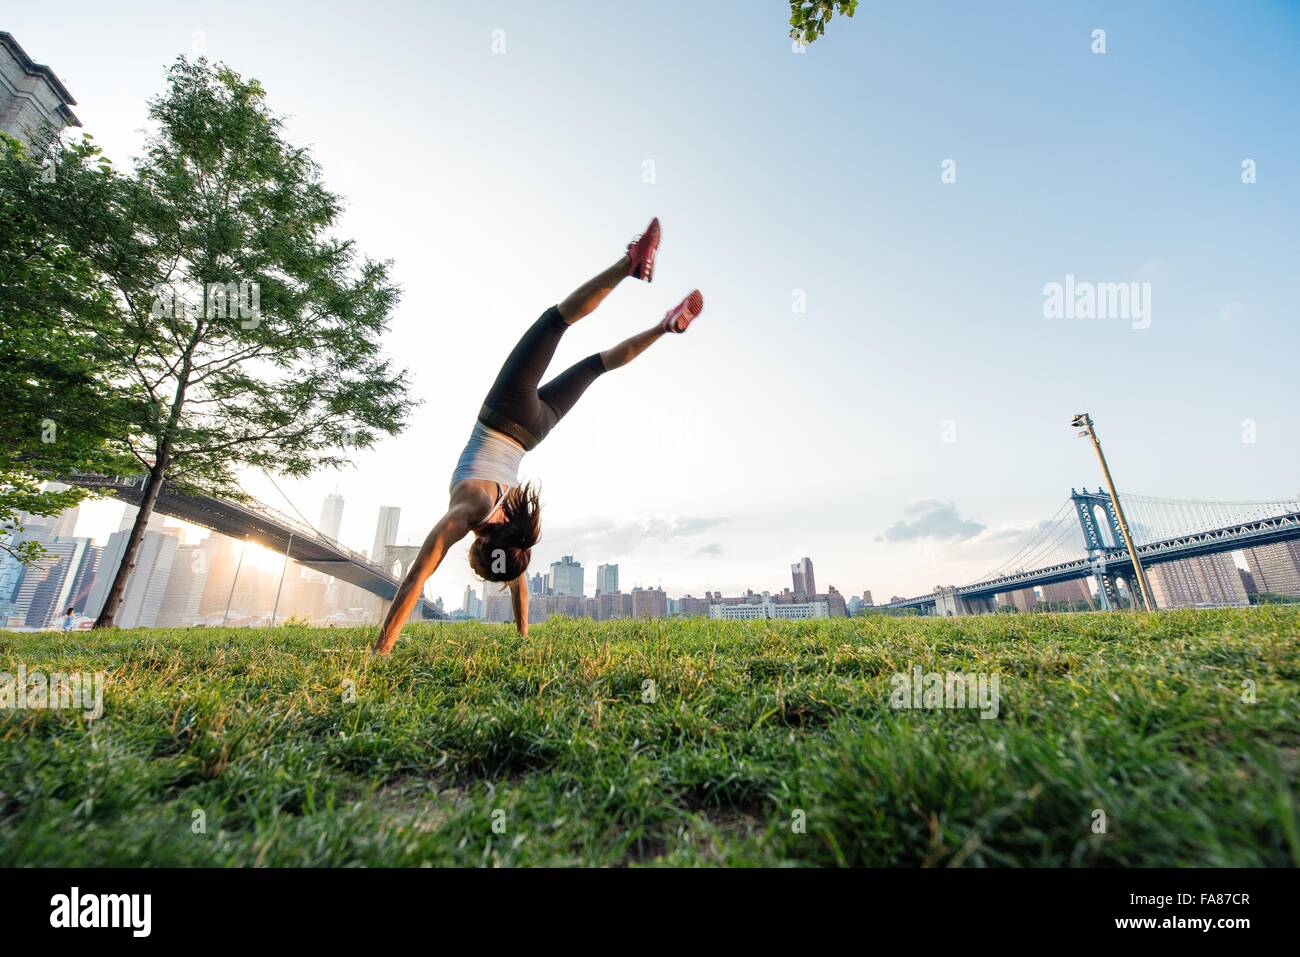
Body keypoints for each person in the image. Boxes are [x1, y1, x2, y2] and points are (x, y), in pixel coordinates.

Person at [373, 217, 702, 654]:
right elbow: (419, 574)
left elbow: (518, 586)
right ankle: (629, 264)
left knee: (597, 365)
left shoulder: (513, 529)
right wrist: (382, 648)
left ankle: (664, 327)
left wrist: (524, 634)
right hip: (503, 412)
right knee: (555, 322)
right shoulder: (469, 512)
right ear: (480, 545)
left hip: (534, 430)